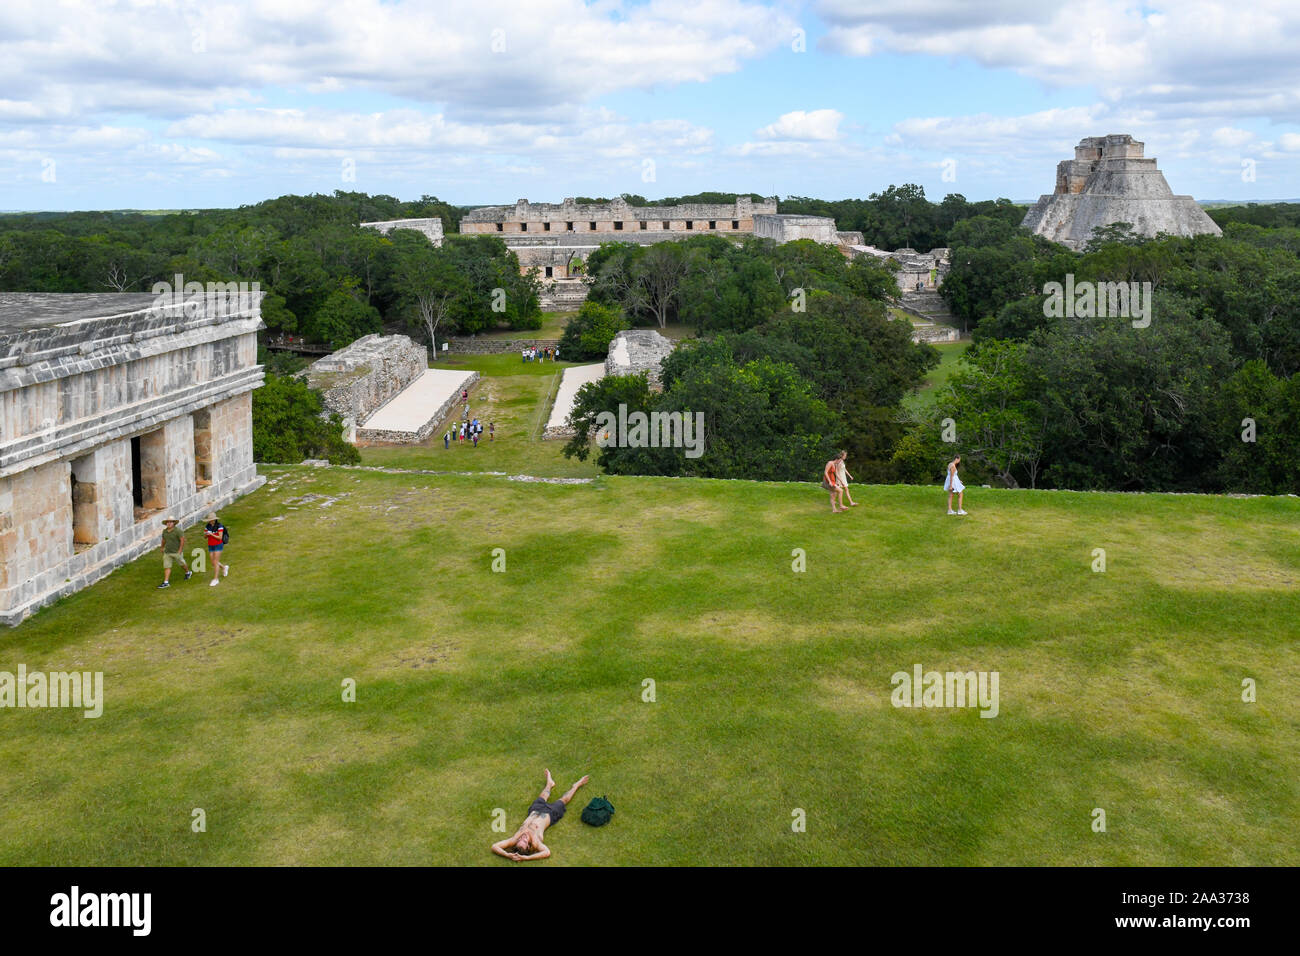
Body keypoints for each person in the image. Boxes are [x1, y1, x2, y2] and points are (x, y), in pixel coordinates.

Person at [491, 770, 589, 862]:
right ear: (529, 846)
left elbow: (494, 846)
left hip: (535, 811)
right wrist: (526, 858)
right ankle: (576, 785)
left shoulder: (514, 839)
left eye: (520, 840)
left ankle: (549, 784)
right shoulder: (535, 842)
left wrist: (507, 854)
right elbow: (547, 852)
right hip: (550, 814)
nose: (522, 838)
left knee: (542, 797)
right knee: (564, 800)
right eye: (524, 841)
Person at [157, 517, 192, 588]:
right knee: (167, 566)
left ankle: (188, 572)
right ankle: (166, 582)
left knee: (182, 564)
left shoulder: (178, 531)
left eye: (171, 522)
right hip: (167, 552)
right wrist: (162, 547)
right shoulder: (164, 531)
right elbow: (163, 540)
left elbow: (182, 540)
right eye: (168, 522)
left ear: (174, 523)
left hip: (176, 552)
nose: (169, 523)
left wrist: (180, 550)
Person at [203, 511, 229, 586]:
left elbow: (220, 538)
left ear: (214, 519)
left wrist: (211, 534)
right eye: (209, 520)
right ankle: (224, 568)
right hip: (210, 545)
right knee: (213, 562)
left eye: (211, 520)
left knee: (215, 561)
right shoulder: (207, 526)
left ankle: (215, 579)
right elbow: (204, 537)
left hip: (218, 545)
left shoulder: (219, 526)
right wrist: (206, 534)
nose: (210, 521)